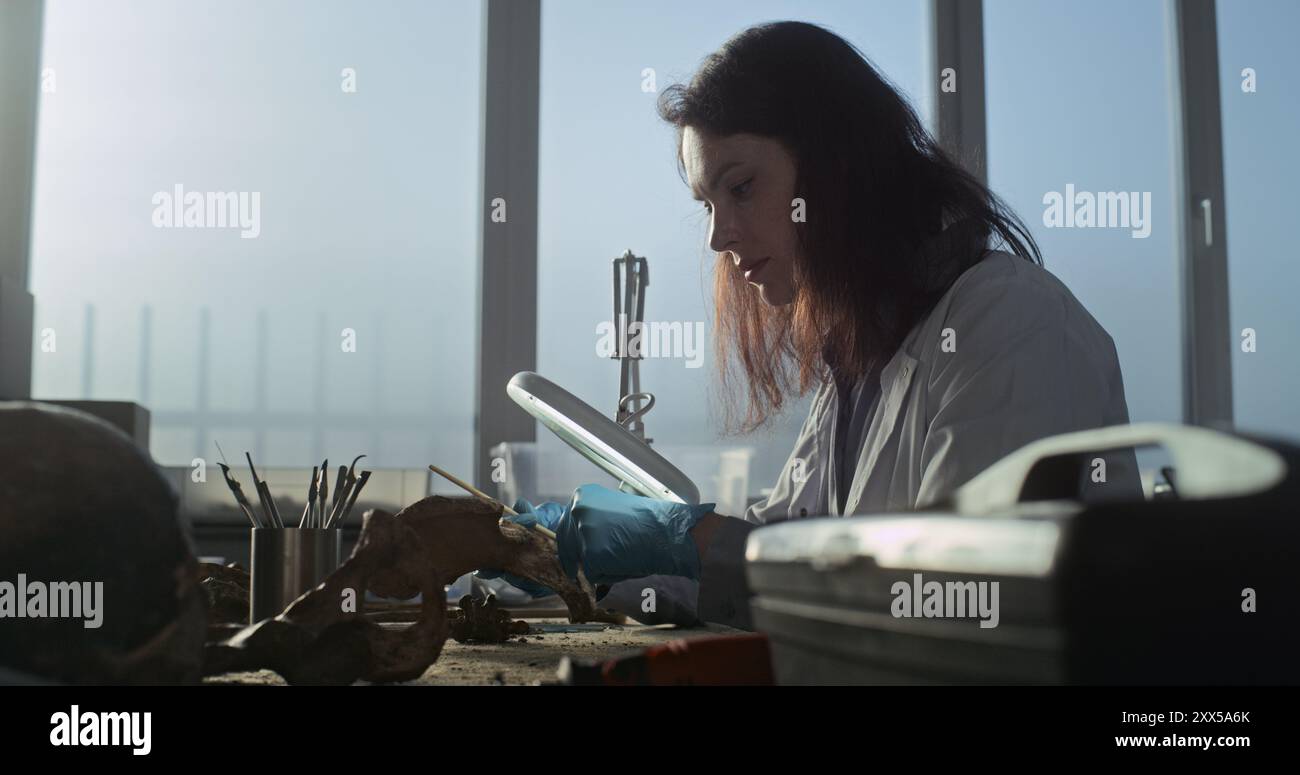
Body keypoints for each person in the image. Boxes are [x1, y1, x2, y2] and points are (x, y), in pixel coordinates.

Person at [481, 21, 1138, 629]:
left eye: (740, 188)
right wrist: (576, 565)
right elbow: (785, 555)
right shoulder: (858, 368)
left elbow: (954, 601)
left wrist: (689, 537)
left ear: (837, 167)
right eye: (706, 204)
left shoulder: (1008, 323)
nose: (717, 238)